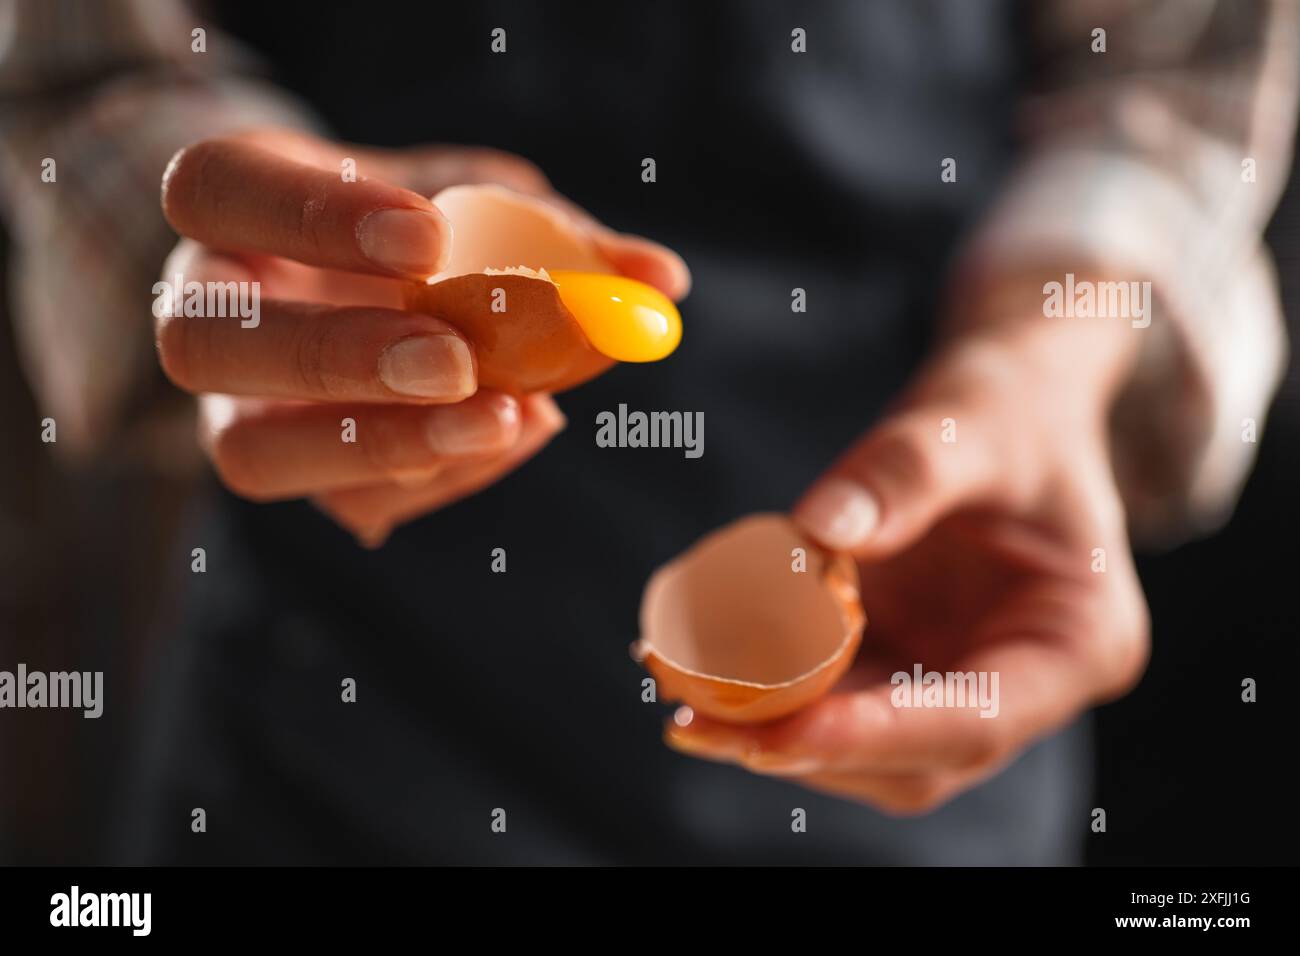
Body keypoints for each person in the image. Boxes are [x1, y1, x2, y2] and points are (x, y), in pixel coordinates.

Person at [1, 0, 1295, 864]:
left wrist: (1050, 360)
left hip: (928, 642)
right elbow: (89, 62)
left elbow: (1172, 84)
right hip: (335, 716)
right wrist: (232, 239)